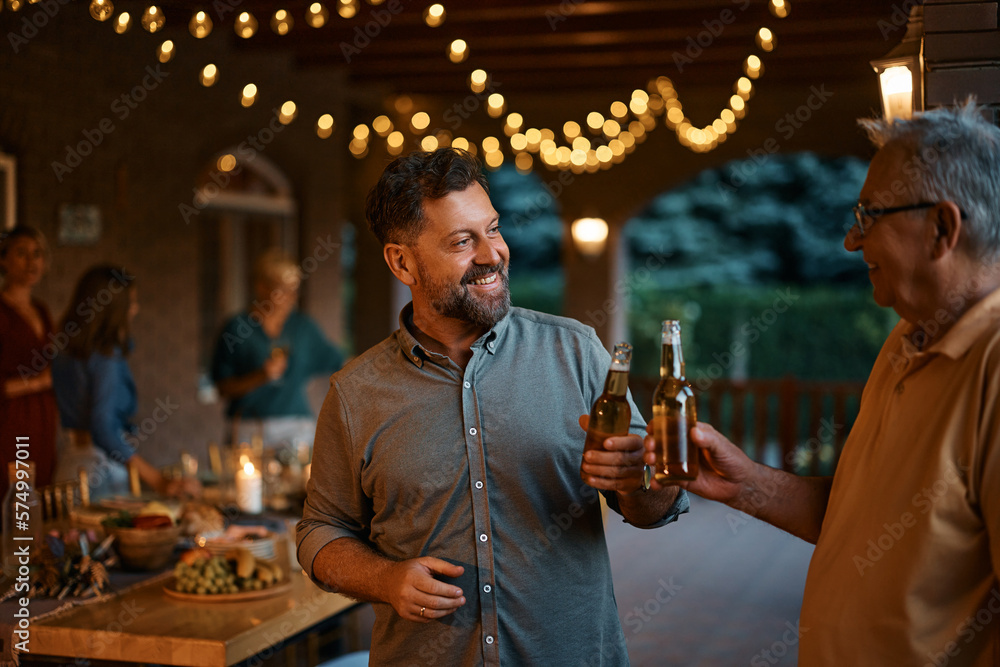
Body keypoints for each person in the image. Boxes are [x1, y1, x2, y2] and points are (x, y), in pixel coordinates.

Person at [297, 148, 688, 665]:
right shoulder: (355, 393)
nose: (491, 254)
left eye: (494, 230)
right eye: (462, 241)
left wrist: (642, 478)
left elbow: (651, 509)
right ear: (401, 262)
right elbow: (320, 530)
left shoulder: (576, 352)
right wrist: (386, 579)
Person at [645, 101, 1000, 664]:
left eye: (870, 217)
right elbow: (865, 516)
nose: (851, 242)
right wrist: (744, 484)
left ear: (942, 229)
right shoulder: (905, 343)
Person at [52, 265, 199, 500]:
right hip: (99, 467)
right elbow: (103, 429)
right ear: (113, 310)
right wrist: (157, 479)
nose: (135, 309)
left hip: (70, 460)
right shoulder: (103, 356)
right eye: (130, 303)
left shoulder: (65, 349)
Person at [211, 248, 343, 448]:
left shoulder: (302, 327)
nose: (290, 297)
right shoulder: (237, 328)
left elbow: (339, 362)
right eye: (281, 289)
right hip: (250, 426)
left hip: (297, 428)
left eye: (294, 289)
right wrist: (260, 376)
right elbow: (222, 387)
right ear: (261, 287)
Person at [0, 226, 58, 499]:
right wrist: (40, 381)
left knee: (40, 490)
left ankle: (34, 542)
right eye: (21, 254)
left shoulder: (42, 309)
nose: (31, 262)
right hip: (11, 418)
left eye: (37, 254)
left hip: (43, 416)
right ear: (4, 259)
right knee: (15, 494)